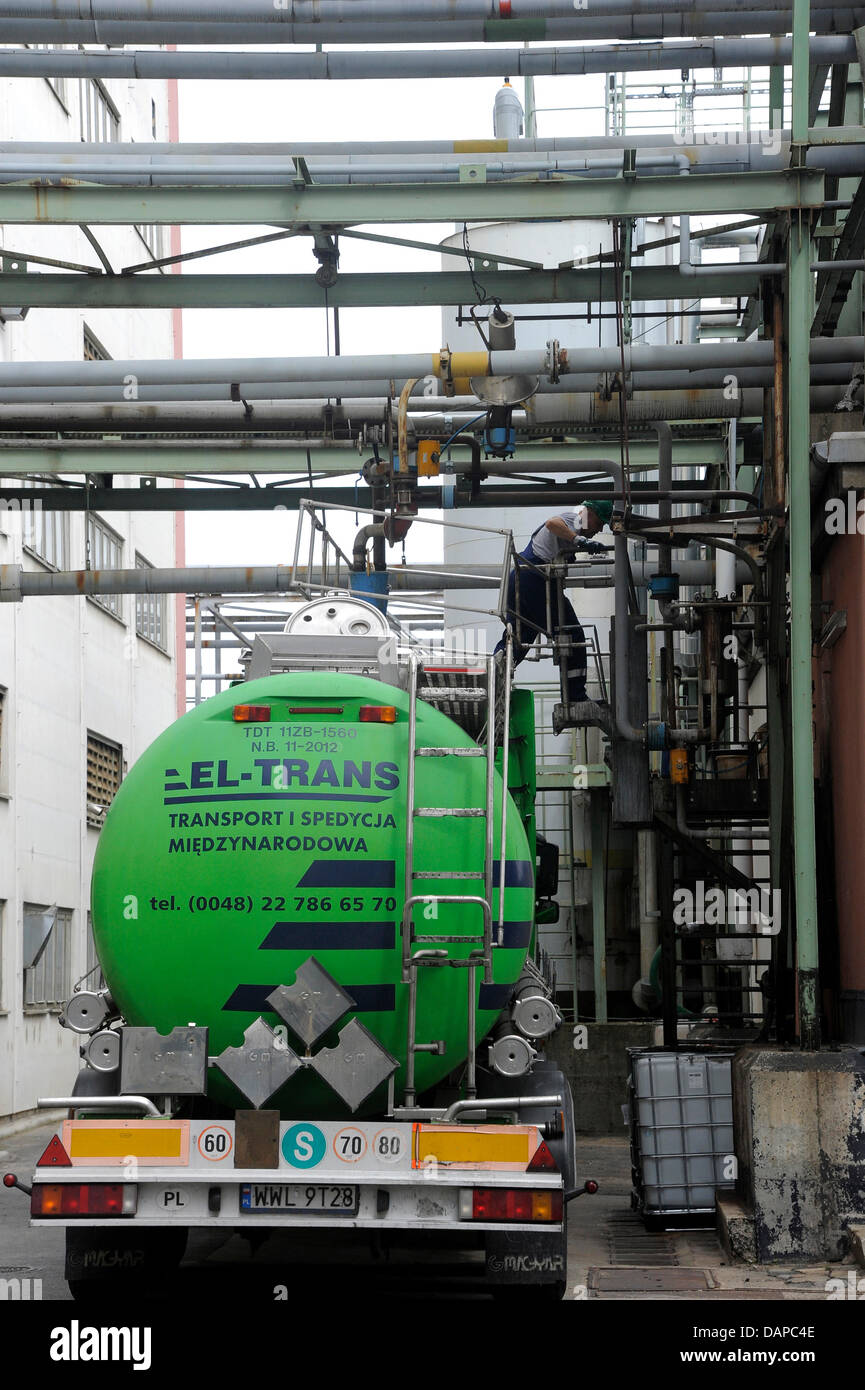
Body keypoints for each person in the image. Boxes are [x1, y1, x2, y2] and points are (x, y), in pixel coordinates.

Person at [494, 499, 613, 704]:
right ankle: (575, 696)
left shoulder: (572, 527)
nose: (599, 529)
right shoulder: (576, 519)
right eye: (600, 523)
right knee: (572, 632)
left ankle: (495, 673)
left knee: (520, 636)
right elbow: (551, 523)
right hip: (536, 578)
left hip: (520, 577)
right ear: (590, 514)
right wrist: (580, 541)